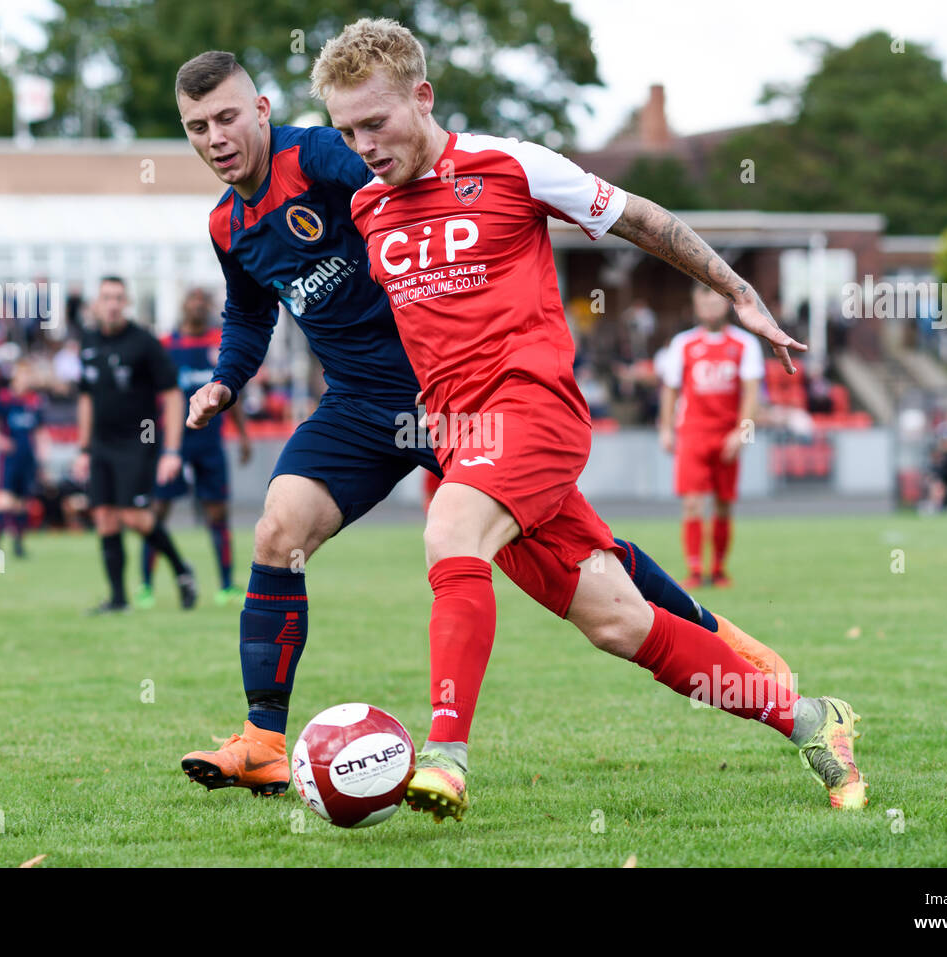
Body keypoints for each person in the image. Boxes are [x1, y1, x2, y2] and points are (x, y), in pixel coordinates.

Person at [173, 49, 790, 799]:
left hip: (453, 389)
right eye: (197, 126)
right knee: (278, 530)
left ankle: (715, 635)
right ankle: (266, 740)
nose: (216, 137)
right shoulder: (227, 225)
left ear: (262, 111)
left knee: (583, 568)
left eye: (228, 117)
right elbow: (249, 310)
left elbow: (411, 176)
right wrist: (225, 381)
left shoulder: (327, 154)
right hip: (362, 402)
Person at [314, 17, 866, 818]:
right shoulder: (368, 209)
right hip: (463, 442)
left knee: (449, 534)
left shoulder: (510, 164)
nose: (363, 142)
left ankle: (445, 755)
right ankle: (814, 719)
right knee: (617, 622)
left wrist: (740, 292)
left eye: (376, 121)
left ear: (422, 97)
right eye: (347, 129)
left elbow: (643, 220)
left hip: (534, 411)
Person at [72, 276, 195, 614]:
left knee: (134, 517)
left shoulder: (144, 343)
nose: (112, 304)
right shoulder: (88, 342)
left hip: (140, 437)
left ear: (125, 303)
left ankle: (182, 570)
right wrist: (83, 449)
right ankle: (118, 599)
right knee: (104, 516)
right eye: (106, 298)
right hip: (101, 442)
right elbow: (85, 397)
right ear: (97, 304)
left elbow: (172, 394)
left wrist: (171, 451)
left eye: (118, 298)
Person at [138, 287, 252, 609]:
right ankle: (146, 586)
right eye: (193, 300)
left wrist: (243, 435)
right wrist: (148, 441)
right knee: (156, 512)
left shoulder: (220, 344)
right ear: (183, 306)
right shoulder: (166, 346)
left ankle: (226, 586)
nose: (199, 306)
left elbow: (233, 392)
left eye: (204, 301)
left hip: (210, 445)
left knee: (218, 514)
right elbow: (150, 400)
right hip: (173, 445)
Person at [656, 282, 764, 587]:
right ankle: (693, 570)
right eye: (704, 302)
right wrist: (666, 428)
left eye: (716, 302)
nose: (710, 308)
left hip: (726, 433)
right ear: (695, 306)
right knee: (691, 503)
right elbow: (670, 390)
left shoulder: (745, 344)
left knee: (723, 502)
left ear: (727, 305)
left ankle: (717, 569)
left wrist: (742, 432)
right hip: (692, 432)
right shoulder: (682, 344)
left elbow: (752, 393)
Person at [0, 358, 48, 556]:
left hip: (27, 458)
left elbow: (40, 431)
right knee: (4, 499)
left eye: (30, 375)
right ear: (15, 376)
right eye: (24, 374)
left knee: (22, 503)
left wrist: (42, 455)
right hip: (9, 459)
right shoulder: (3, 398)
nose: (27, 379)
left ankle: (19, 544)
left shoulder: (34, 401)